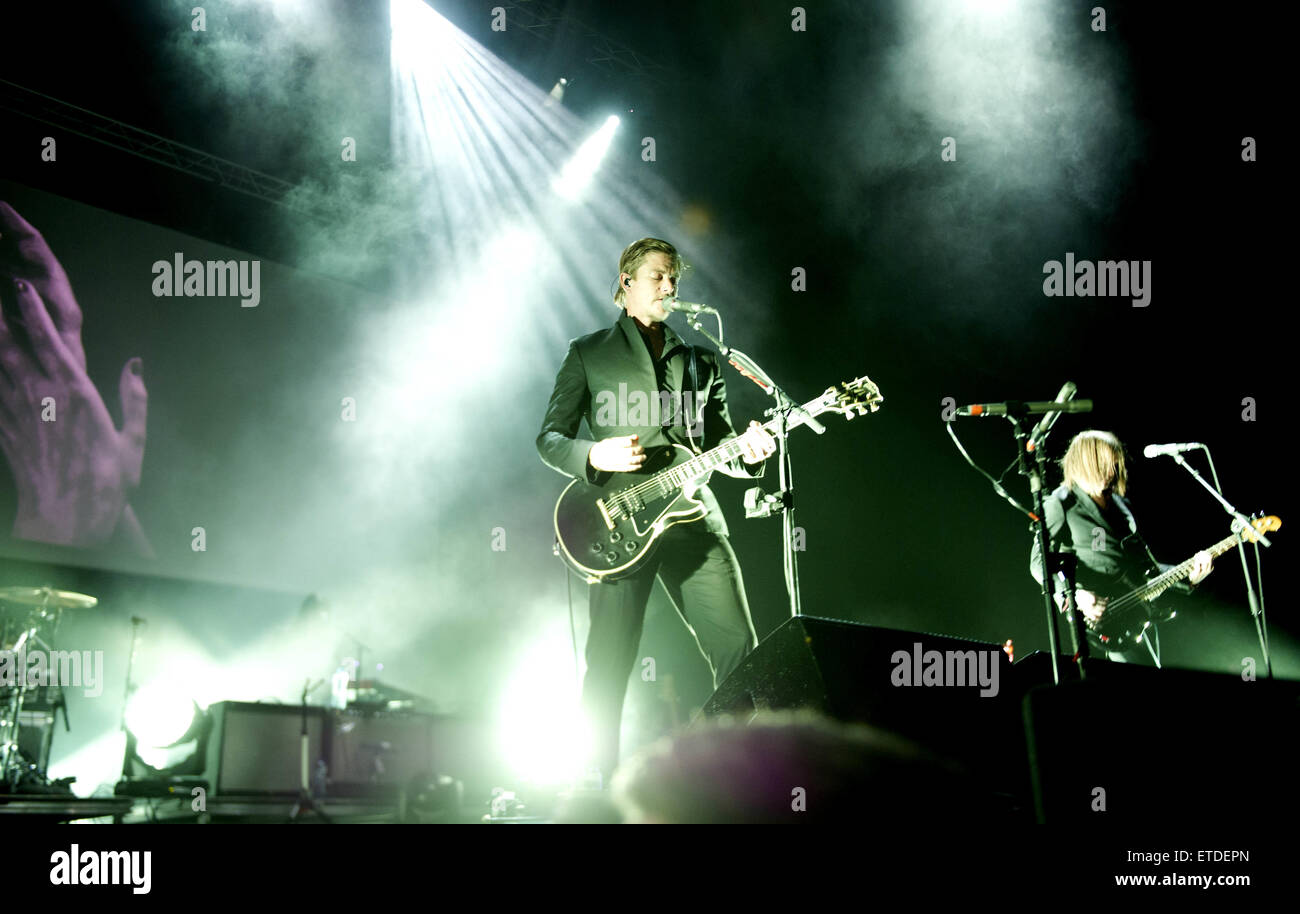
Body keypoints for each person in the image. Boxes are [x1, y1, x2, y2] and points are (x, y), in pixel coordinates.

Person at [537, 237, 776, 784]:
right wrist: (591, 453)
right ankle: (598, 786)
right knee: (611, 659)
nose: (669, 286)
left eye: (674, 278)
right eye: (657, 276)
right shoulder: (588, 352)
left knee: (736, 640)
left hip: (692, 512)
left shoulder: (700, 360)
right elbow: (549, 438)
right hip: (616, 515)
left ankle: (739, 776)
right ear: (625, 284)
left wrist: (753, 453)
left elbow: (719, 444)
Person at [1030, 429, 1212, 665]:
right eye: (1102, 464)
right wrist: (1075, 595)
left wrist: (1190, 576)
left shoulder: (1120, 506)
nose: (1109, 472)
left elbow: (1148, 569)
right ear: (1084, 463)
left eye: (1113, 464)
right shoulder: (1061, 503)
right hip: (1094, 621)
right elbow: (1038, 563)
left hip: (1136, 613)